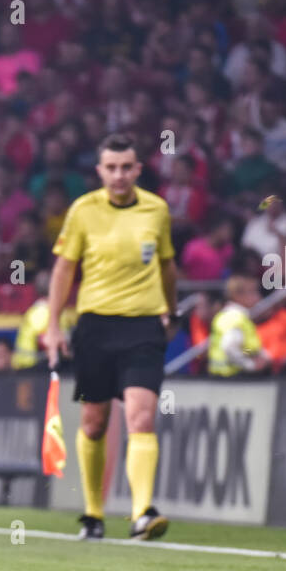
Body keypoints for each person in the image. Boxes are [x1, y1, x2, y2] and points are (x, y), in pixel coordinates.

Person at [44, 133, 176, 542]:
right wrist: (52, 326)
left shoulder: (157, 210)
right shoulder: (83, 210)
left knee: (140, 416)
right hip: (95, 327)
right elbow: (64, 270)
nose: (119, 175)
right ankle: (93, 513)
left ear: (138, 169)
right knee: (94, 422)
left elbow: (168, 267)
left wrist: (169, 309)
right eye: (111, 168)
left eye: (126, 167)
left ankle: (141, 512)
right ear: (100, 171)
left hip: (143, 326)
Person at [208, 276, 269, 376]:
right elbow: (230, 348)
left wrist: (259, 355)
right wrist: (251, 365)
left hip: (229, 379)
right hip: (232, 380)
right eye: (253, 292)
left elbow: (243, 349)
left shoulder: (237, 316)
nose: (258, 297)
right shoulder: (234, 317)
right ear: (237, 295)